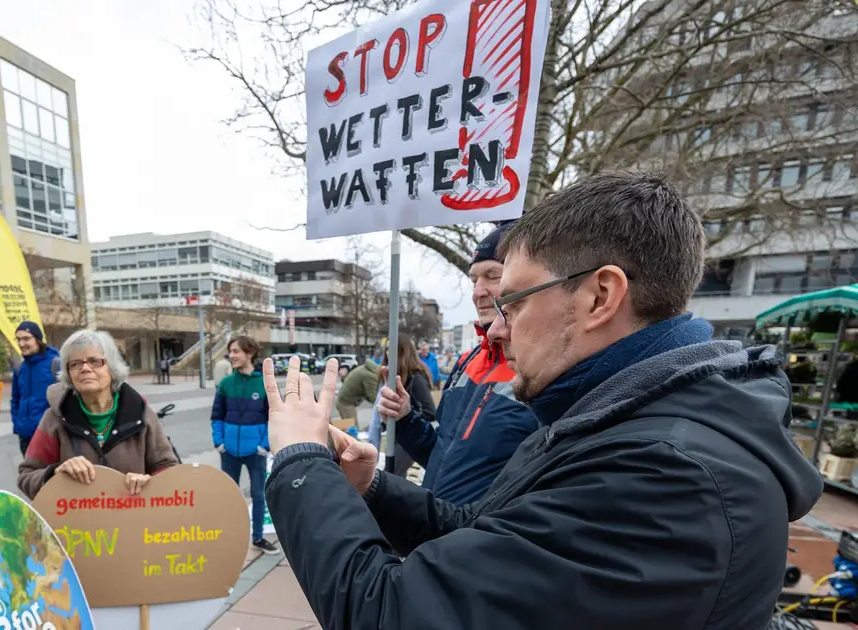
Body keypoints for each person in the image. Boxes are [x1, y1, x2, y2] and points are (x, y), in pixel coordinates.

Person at [259, 172, 822, 629]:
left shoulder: (665, 474)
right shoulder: (618, 421)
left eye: (514, 303)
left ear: (601, 296)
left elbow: (392, 612)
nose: (496, 329)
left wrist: (299, 466)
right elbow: (482, 528)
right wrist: (373, 489)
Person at [377, 222, 538, 505]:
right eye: (474, 280)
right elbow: (438, 453)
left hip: (488, 541)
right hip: (439, 533)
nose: (478, 291)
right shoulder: (467, 362)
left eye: (492, 276)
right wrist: (404, 418)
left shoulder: (544, 365)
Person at [18, 329, 179, 499]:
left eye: (95, 361)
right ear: (69, 374)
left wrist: (149, 482)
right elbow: (27, 475)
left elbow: (168, 467)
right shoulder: (55, 418)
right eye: (75, 364)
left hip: (133, 522)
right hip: (74, 523)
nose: (85, 368)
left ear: (112, 368)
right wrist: (55, 473)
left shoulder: (142, 415)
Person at [210, 335, 280, 555]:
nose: (232, 356)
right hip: (228, 451)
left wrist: (264, 445)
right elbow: (216, 416)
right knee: (228, 495)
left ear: (249, 353)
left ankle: (258, 538)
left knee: (259, 495)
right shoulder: (225, 384)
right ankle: (230, 538)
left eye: (236, 351)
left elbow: (273, 418)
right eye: (230, 351)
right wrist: (219, 442)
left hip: (255, 452)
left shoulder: (264, 384)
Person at [373, 336, 435, 478]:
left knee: (393, 475)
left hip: (409, 434)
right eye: (386, 349)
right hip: (395, 434)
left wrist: (407, 416)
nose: (388, 352)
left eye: (392, 349)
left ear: (403, 351)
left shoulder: (416, 377)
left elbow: (430, 411)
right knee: (392, 473)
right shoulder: (391, 374)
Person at [12, 321, 60, 456]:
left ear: (38, 340)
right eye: (19, 339)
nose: (21, 344)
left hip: (49, 434)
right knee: (30, 475)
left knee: (51, 476)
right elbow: (15, 399)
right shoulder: (19, 368)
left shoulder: (56, 364)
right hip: (26, 436)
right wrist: (18, 424)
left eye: (26, 338)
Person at [335, 355, 378, 430]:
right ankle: (327, 430)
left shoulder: (368, 370)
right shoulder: (371, 376)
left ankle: (329, 429)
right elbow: (373, 397)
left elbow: (367, 394)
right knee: (352, 429)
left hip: (345, 401)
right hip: (346, 403)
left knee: (348, 425)